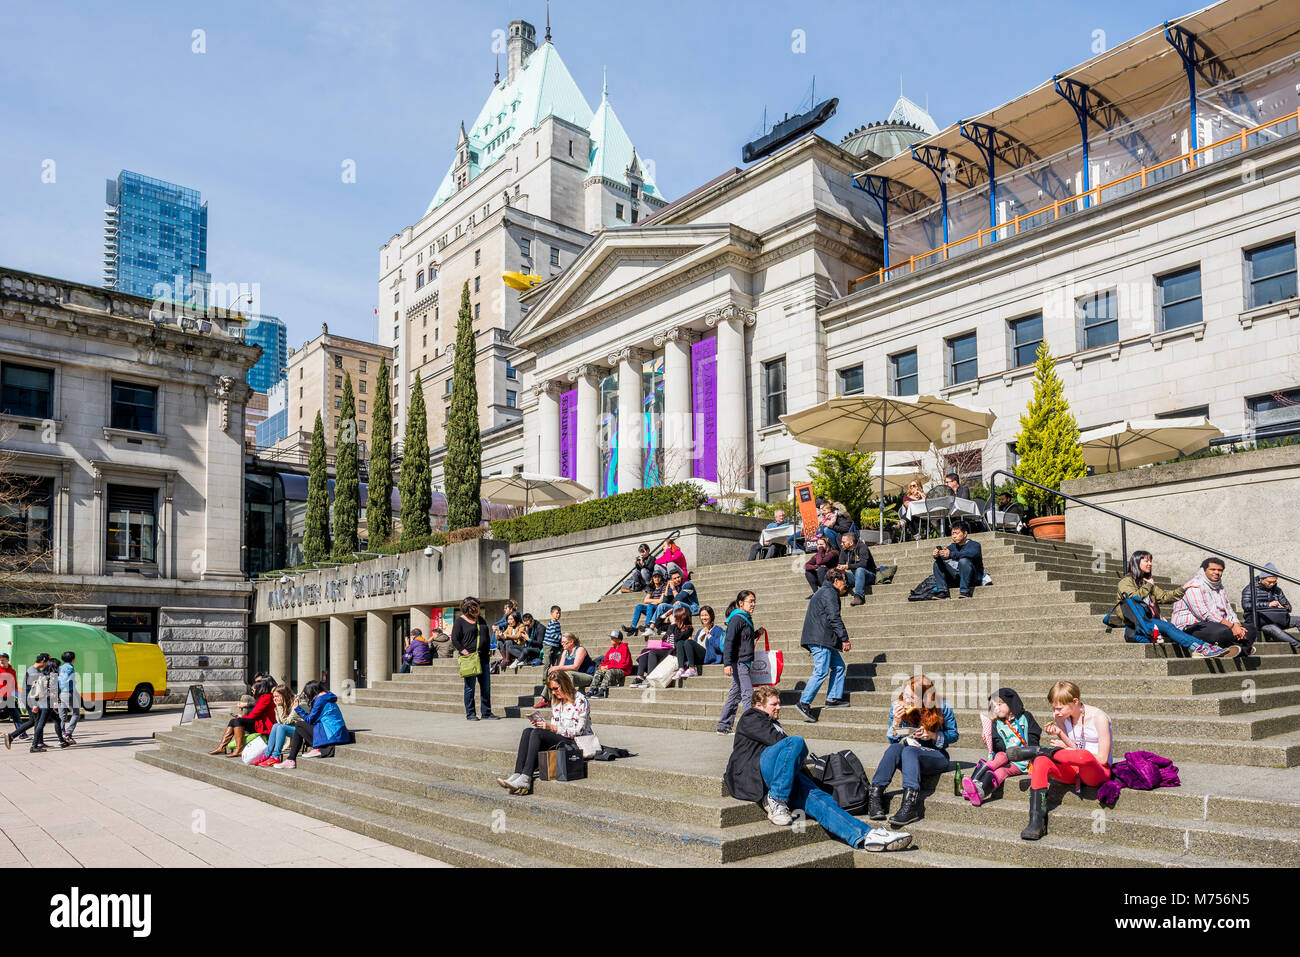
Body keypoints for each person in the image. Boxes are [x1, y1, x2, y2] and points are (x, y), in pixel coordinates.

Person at [724, 686, 912, 851]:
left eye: (779, 703)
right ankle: (776, 799)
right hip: (756, 772)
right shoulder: (751, 716)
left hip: (782, 777)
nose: (779, 707)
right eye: (774, 704)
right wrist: (797, 754)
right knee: (796, 742)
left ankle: (865, 836)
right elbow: (779, 743)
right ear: (759, 706)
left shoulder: (773, 724)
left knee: (822, 800)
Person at [1021, 681, 1113, 840]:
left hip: (1097, 770)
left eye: (1059, 708)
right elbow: (1072, 745)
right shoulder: (1061, 717)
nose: (1056, 712)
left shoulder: (1099, 717)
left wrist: (1070, 750)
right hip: (1073, 767)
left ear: (1075, 702)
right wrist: (1059, 733)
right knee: (1042, 761)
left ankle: (1041, 751)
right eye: (1053, 708)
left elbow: (1103, 759)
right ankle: (1036, 822)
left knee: (1084, 756)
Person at [868, 674, 959, 827]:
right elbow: (892, 739)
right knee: (895, 748)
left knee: (909, 751)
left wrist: (932, 735)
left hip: (935, 755)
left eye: (911, 697)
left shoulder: (941, 707)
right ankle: (875, 796)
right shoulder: (898, 706)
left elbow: (954, 735)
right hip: (909, 753)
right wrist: (896, 722)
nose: (905, 699)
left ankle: (910, 805)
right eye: (904, 694)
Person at [1115, 551, 1236, 658]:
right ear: (1136, 562)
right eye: (1146, 561)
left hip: (1148, 620)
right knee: (1169, 627)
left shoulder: (1146, 582)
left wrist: (1184, 588)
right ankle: (1200, 648)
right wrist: (1149, 586)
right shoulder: (1126, 582)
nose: (1150, 564)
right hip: (1136, 620)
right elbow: (1133, 599)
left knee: (1169, 628)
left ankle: (1205, 647)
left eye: (1151, 561)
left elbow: (1164, 597)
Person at [496, 670, 591, 795]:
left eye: (556, 688)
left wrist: (552, 728)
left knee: (537, 733)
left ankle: (525, 778)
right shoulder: (557, 701)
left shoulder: (580, 700)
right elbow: (555, 724)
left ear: (565, 684)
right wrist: (543, 725)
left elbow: (579, 730)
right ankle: (517, 773)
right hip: (561, 737)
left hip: (575, 741)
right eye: (551, 689)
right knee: (528, 731)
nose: (553, 692)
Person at [961, 687, 1042, 806]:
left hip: (1022, 761)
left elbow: (1034, 735)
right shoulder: (996, 723)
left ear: (1010, 702)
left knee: (1002, 771)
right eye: (994, 706)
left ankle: (980, 791)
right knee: (1000, 756)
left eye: (999, 704)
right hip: (1005, 756)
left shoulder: (1026, 717)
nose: (996, 708)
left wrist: (1032, 756)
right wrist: (989, 741)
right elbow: (999, 746)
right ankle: (975, 784)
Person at [795, 569, 852, 722]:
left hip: (823, 638)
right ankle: (804, 702)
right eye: (844, 580)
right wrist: (844, 639)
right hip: (820, 639)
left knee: (839, 666)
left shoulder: (824, 591)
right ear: (836, 581)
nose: (845, 584)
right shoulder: (829, 593)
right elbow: (834, 617)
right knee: (820, 671)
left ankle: (833, 698)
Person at [1171, 556, 1257, 654]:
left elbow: (1229, 610)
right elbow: (1204, 614)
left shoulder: (1220, 588)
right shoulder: (1194, 585)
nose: (1217, 572)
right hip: (1191, 626)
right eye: (1213, 569)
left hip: (1215, 625)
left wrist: (1236, 624)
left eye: (1220, 570)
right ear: (1203, 570)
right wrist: (1232, 626)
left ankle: (1236, 649)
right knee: (1225, 631)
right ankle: (1242, 649)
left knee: (1250, 629)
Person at [274, 680, 352, 770]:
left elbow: (310, 720)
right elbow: (316, 718)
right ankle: (291, 759)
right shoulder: (326, 697)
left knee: (299, 725)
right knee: (301, 725)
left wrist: (298, 708)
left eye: (307, 694)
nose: (307, 696)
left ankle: (292, 759)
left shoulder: (320, 700)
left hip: (332, 734)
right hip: (338, 732)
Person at [716, 590, 757, 735]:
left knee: (735, 694)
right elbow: (729, 641)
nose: (753, 604)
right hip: (739, 662)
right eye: (750, 601)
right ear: (741, 603)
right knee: (748, 694)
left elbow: (743, 639)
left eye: (754, 601)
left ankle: (723, 725)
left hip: (743, 661)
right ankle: (749, 728)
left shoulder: (745, 618)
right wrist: (727, 664)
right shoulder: (737, 619)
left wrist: (757, 633)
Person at [453, 596, 499, 721]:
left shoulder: (481, 620)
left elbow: (485, 635)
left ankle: (486, 712)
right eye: (477, 607)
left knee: (486, 687)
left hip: (483, 657)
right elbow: (455, 639)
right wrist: (464, 651)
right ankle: (471, 713)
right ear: (470, 609)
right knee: (470, 687)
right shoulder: (460, 621)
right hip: (469, 658)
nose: (479, 609)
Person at [208, 677, 276, 755]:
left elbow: (253, 716)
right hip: (259, 723)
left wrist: (242, 717)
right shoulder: (264, 697)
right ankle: (222, 747)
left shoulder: (265, 698)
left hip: (265, 726)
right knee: (233, 721)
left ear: (259, 690)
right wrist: (241, 717)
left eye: (253, 690)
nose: (252, 692)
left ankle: (239, 749)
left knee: (237, 721)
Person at [1242, 563, 1300, 649]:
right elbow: (1246, 605)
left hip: (1278, 618)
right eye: (1269, 582)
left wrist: (1284, 606)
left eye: (1274, 581)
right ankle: (1298, 645)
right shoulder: (1250, 588)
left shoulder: (1277, 590)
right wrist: (1268, 604)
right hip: (1261, 621)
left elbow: (1289, 607)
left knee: (1298, 620)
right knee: (1274, 629)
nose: (1272, 584)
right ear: (1261, 579)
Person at [931, 520, 984, 598]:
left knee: (964, 561)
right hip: (958, 576)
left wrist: (951, 554)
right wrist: (937, 555)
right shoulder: (953, 546)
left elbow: (968, 554)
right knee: (937, 563)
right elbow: (945, 555)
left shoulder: (975, 545)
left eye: (957, 533)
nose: (954, 536)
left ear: (965, 534)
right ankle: (942, 591)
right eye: (952, 533)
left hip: (973, 577)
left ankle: (965, 591)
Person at [251, 684, 298, 766]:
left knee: (281, 727)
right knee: (276, 725)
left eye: (277, 696)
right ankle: (267, 754)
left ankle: (275, 757)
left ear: (284, 695)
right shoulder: (283, 704)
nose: (274, 699)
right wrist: (278, 707)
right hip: (291, 728)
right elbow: (279, 722)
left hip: (300, 731)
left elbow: (286, 722)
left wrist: (279, 706)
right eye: (274, 696)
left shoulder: (295, 704)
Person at [835, 530, 880, 606]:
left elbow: (863, 564)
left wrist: (847, 566)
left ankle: (858, 596)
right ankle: (834, 592)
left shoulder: (862, 547)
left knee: (859, 570)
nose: (841, 544)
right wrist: (841, 571)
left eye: (843, 542)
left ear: (851, 543)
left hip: (869, 576)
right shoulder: (844, 550)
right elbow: (841, 564)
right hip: (855, 577)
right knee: (833, 572)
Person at [543, 633, 592, 702]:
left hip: (587, 676)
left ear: (571, 642)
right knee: (554, 676)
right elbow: (560, 667)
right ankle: (545, 699)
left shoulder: (580, 649)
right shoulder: (565, 652)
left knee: (568, 674)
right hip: (573, 675)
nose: (562, 644)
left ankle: (567, 698)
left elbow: (575, 666)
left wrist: (557, 668)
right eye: (561, 642)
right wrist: (554, 670)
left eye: (564, 642)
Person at [588, 630, 632, 698]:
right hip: (612, 668)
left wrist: (609, 667)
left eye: (613, 638)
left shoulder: (624, 648)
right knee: (599, 671)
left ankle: (602, 691)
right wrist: (602, 666)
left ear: (619, 640)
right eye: (611, 638)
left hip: (623, 670)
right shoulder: (611, 649)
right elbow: (606, 661)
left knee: (609, 671)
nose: (611, 639)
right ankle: (592, 690)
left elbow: (624, 664)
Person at [667, 607, 704, 679]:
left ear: (682, 618)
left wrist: (673, 624)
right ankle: (681, 669)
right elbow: (658, 625)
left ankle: (692, 669)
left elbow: (676, 637)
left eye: (676, 617)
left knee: (686, 642)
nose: (675, 619)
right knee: (679, 643)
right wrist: (666, 616)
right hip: (686, 653)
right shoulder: (676, 628)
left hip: (697, 654)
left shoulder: (689, 628)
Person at [56, 651, 79, 745]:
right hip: (68, 693)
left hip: (59, 693)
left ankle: (61, 736)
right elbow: (65, 679)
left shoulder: (59, 668)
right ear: (73, 659)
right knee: (76, 713)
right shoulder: (70, 667)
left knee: (62, 716)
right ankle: (68, 734)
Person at [0, 653, 23, 735]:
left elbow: (14, 684)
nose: (1, 660)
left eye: (3, 659)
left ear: (8, 660)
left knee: (16, 716)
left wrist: (17, 695)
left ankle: (22, 734)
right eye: (0, 659)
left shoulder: (12, 671)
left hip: (9, 697)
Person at [539, 604, 564, 677]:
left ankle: (553, 677)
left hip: (555, 646)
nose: (558, 615)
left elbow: (558, 634)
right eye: (556, 613)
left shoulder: (557, 623)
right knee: (547, 663)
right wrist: (561, 637)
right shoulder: (552, 623)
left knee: (554, 662)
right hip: (548, 645)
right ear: (551, 613)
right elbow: (552, 635)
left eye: (559, 613)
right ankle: (545, 679)